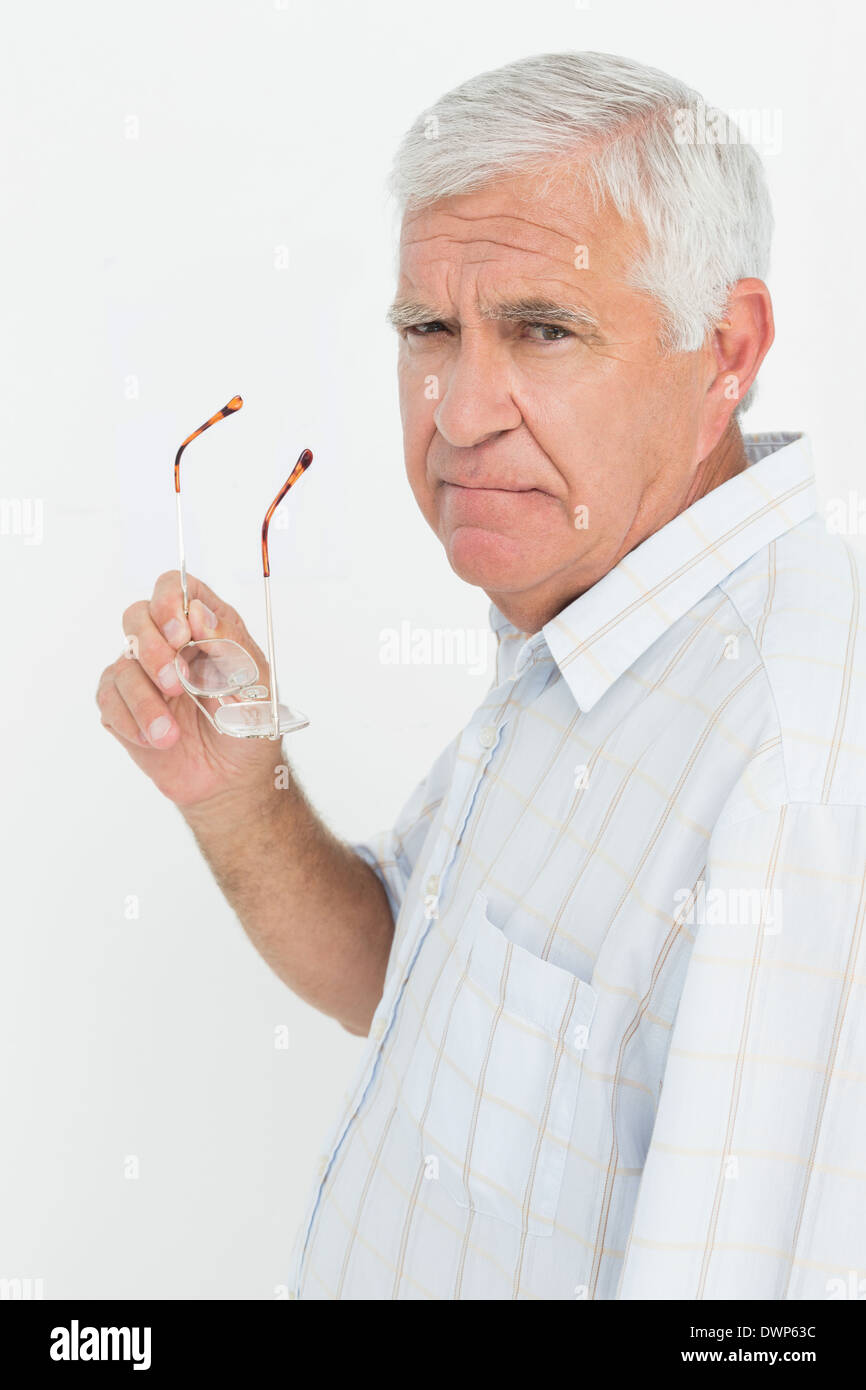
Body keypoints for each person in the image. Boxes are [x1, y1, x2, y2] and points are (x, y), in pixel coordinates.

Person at [96, 51, 866, 1300]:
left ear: (724, 348)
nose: (455, 412)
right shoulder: (595, 621)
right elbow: (401, 973)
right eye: (427, 330)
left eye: (542, 330)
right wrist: (240, 792)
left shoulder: (793, 776)